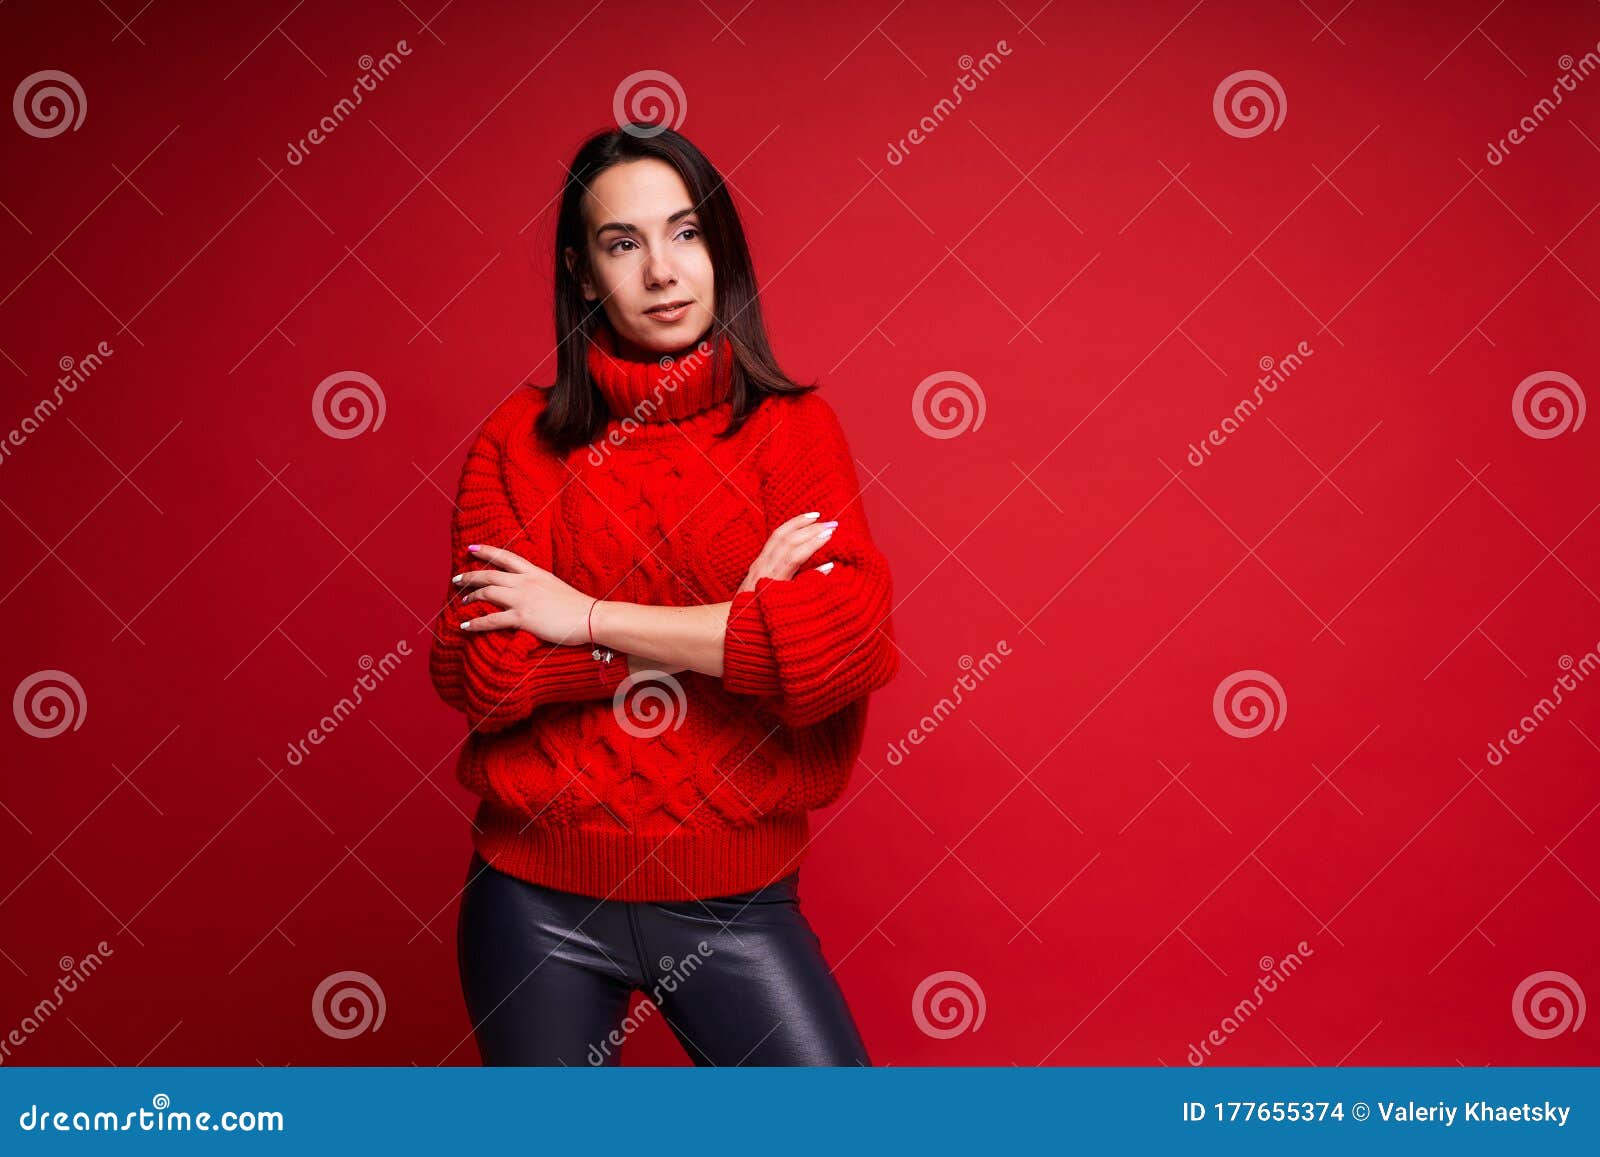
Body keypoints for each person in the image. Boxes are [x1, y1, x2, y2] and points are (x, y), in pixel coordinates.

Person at [428, 123, 900, 1066]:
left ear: (721, 246)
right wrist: (734, 623)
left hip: (735, 898)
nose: (662, 271)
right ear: (583, 271)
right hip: (534, 902)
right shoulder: (515, 443)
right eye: (623, 243)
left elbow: (846, 640)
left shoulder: (794, 432)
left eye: (686, 233)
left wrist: (584, 616)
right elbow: (483, 664)